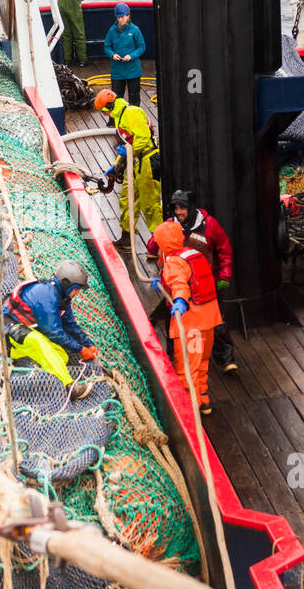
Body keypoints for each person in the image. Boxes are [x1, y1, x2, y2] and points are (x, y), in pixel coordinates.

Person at [146, 189, 237, 372]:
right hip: (176, 285)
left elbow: (224, 249)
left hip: (203, 284)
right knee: (174, 324)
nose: (178, 212)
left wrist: (224, 276)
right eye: (175, 208)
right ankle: (175, 360)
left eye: (182, 208)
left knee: (216, 323)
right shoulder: (170, 226)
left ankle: (226, 359)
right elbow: (152, 245)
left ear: (191, 207)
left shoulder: (209, 225)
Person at [150, 219, 222, 415]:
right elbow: (191, 277)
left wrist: (180, 301)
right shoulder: (194, 254)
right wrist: (164, 283)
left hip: (192, 325)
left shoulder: (173, 262)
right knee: (202, 362)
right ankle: (203, 398)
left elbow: (180, 284)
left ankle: (191, 407)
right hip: (209, 319)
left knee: (187, 367)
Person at [4, 259, 98, 397]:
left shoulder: (62, 298)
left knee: (62, 356)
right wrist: (80, 349)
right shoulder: (46, 295)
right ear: (67, 284)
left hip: (27, 330)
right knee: (39, 343)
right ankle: (70, 387)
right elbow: (54, 333)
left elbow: (70, 325)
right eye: (77, 288)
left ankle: (17, 353)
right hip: (10, 331)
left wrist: (89, 344)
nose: (78, 293)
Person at [94, 88, 162, 252]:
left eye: (103, 111)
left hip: (147, 160)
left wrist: (128, 150)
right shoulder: (119, 118)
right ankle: (127, 237)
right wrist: (116, 166)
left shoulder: (132, 113)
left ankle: (160, 244)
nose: (104, 115)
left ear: (109, 107)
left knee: (150, 203)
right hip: (134, 161)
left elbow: (143, 139)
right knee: (127, 199)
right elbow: (128, 144)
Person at [103, 3, 146, 103]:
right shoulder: (112, 31)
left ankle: (134, 118)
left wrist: (131, 56)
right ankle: (115, 119)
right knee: (116, 99)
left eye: (122, 17)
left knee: (134, 97)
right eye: (118, 17)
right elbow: (107, 46)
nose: (120, 19)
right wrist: (112, 55)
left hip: (133, 70)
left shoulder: (135, 30)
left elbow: (141, 47)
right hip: (117, 71)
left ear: (128, 15)